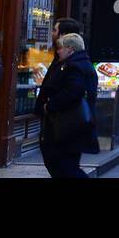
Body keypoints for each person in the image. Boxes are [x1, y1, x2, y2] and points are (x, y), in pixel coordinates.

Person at [40, 33, 99, 178]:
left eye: (61, 48)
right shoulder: (84, 64)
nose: (58, 51)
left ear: (70, 49)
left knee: (63, 165)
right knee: (65, 164)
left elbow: (74, 90)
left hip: (68, 124)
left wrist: (50, 104)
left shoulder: (73, 66)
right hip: (76, 125)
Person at [34, 17, 83, 153]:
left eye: (55, 30)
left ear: (63, 35)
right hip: (55, 119)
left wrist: (49, 105)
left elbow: (72, 91)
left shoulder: (70, 64)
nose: (52, 34)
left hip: (61, 121)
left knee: (60, 164)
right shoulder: (61, 59)